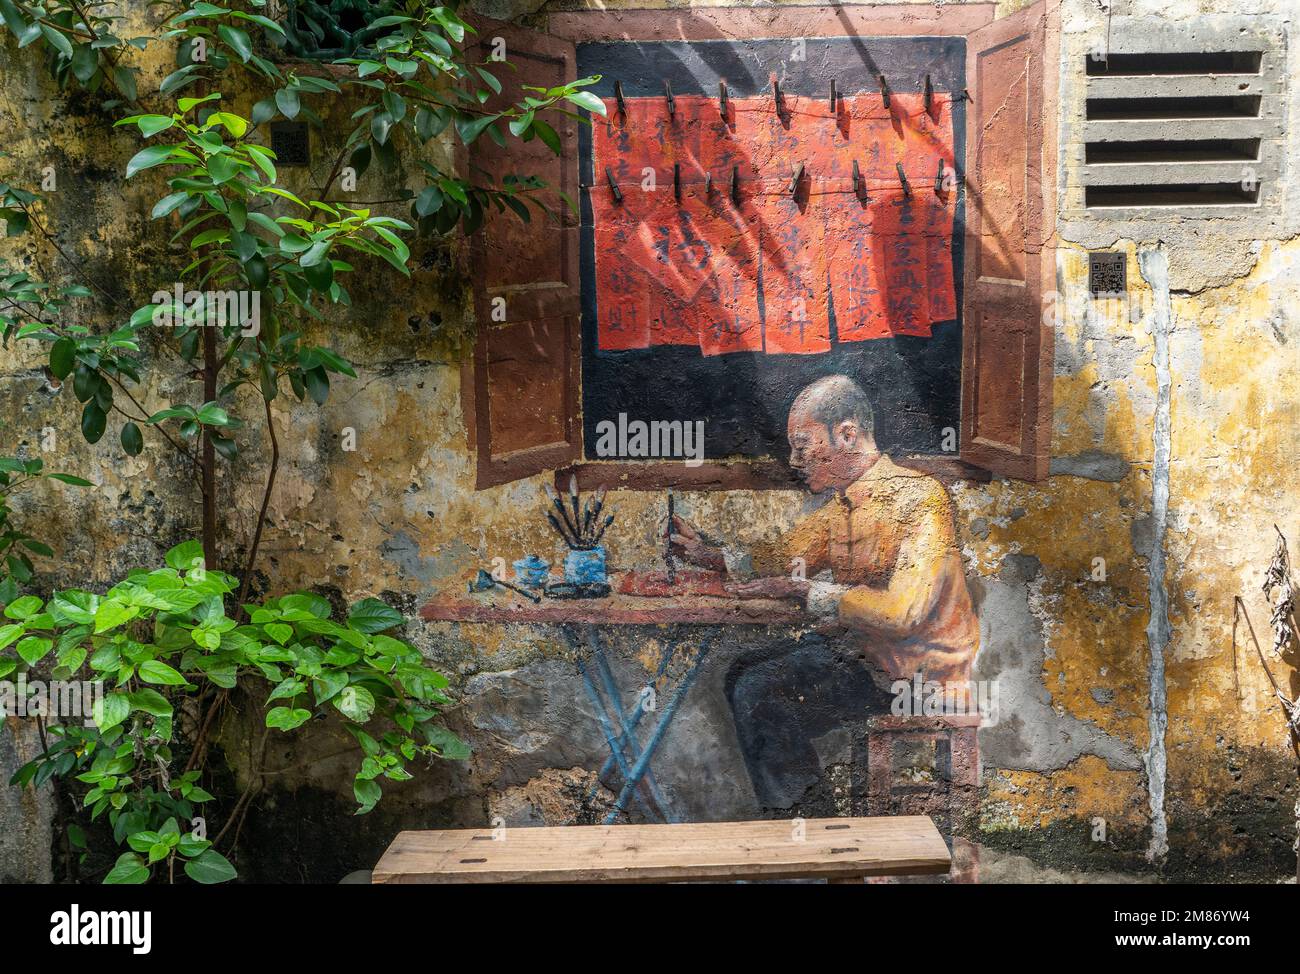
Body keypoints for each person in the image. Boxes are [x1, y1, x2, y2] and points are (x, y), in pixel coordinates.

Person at [668, 374, 978, 688]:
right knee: (739, 673)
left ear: (846, 435)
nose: (793, 460)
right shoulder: (840, 506)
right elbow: (783, 557)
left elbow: (901, 614)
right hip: (868, 657)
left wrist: (804, 591)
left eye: (802, 446)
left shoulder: (920, 498)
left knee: (756, 688)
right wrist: (709, 555)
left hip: (920, 675)